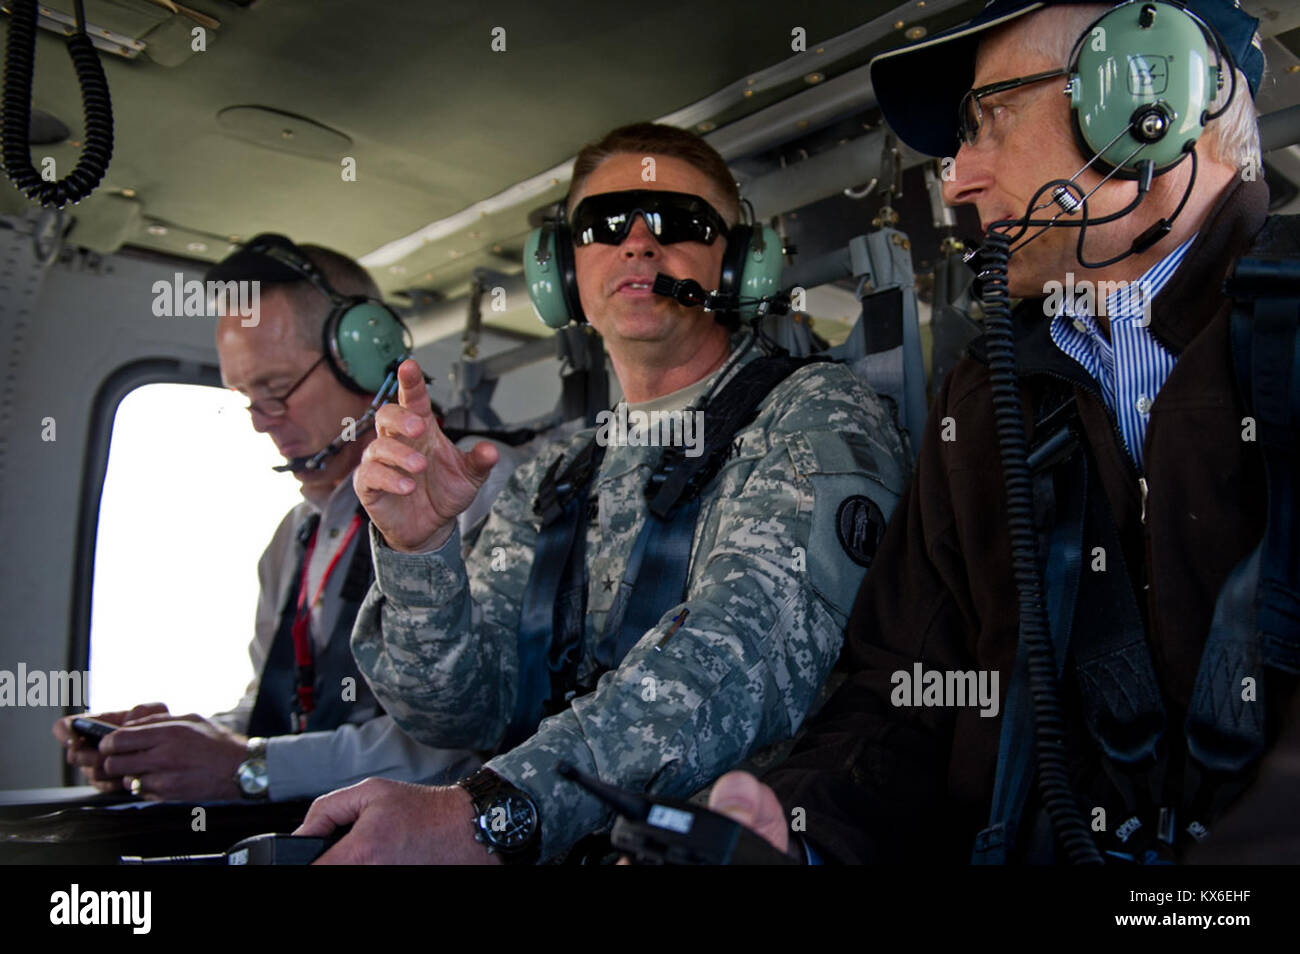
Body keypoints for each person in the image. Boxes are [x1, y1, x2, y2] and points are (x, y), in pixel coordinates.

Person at [710, 0, 1300, 864]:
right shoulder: (982, 398)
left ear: (1146, 100)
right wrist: (794, 835)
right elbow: (900, 693)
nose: (956, 180)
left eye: (989, 122)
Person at [294, 122, 911, 863]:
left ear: (740, 263)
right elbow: (456, 713)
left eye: (683, 223)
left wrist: (489, 815)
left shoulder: (814, 412)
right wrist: (420, 552)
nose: (641, 245)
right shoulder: (554, 473)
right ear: (561, 269)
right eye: (606, 224)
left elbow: (735, 663)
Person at [53, 236, 484, 802]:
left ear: (365, 360)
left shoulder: (473, 493)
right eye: (247, 398)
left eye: (277, 392)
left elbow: (474, 741)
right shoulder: (296, 535)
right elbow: (288, 713)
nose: (261, 423)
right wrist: (179, 747)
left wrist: (252, 768)